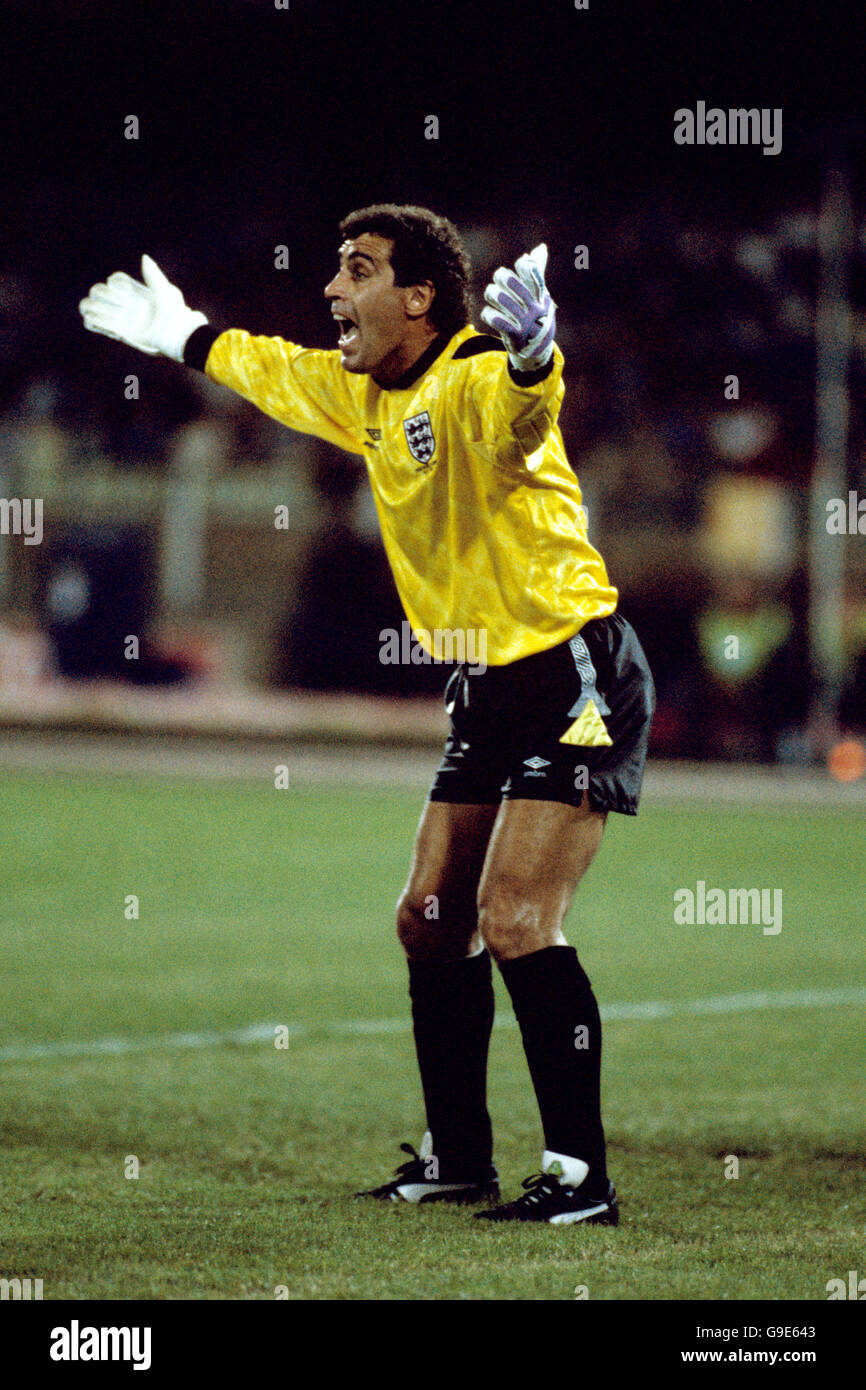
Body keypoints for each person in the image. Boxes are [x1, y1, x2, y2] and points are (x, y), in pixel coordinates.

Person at [80, 204, 655, 1225]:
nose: (333, 292)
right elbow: (279, 370)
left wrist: (535, 363)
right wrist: (184, 334)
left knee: (517, 918)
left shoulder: (475, 374)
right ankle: (458, 1156)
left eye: (356, 270)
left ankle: (578, 1177)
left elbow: (518, 417)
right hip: (485, 681)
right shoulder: (369, 396)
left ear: (418, 295)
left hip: (568, 665)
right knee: (430, 919)